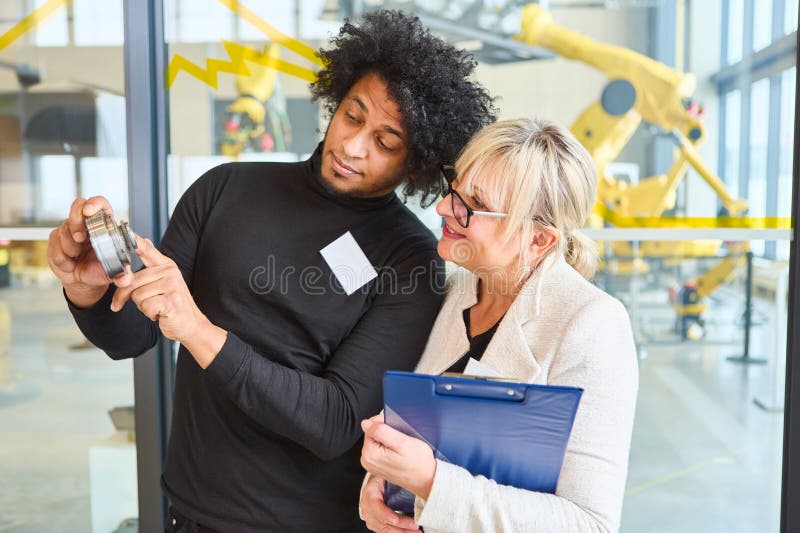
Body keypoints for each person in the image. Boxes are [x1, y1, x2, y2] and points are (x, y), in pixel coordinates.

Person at [46, 10, 494, 533]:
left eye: (386, 141)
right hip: (189, 515)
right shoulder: (224, 190)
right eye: (353, 116)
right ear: (335, 100)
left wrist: (196, 329)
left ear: (415, 163)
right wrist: (86, 291)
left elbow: (334, 422)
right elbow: (134, 335)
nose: (353, 147)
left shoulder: (410, 259)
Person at [358, 118, 639, 533]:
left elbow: (589, 523)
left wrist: (430, 482)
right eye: (454, 188)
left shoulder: (592, 325)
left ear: (539, 239)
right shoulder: (457, 290)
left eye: (471, 205)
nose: (442, 208)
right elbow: (423, 432)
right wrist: (379, 484)